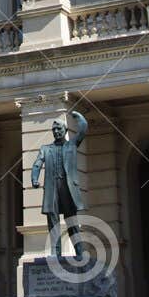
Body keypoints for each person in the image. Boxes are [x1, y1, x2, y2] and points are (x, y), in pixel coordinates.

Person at [30, 110, 88, 258]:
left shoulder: (71, 145)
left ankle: (80, 252)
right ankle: (56, 253)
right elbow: (37, 164)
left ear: (65, 130)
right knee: (53, 223)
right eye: (54, 130)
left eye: (59, 129)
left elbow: (83, 129)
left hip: (67, 188)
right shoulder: (45, 149)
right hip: (51, 189)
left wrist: (77, 116)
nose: (56, 132)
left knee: (72, 222)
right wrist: (34, 178)